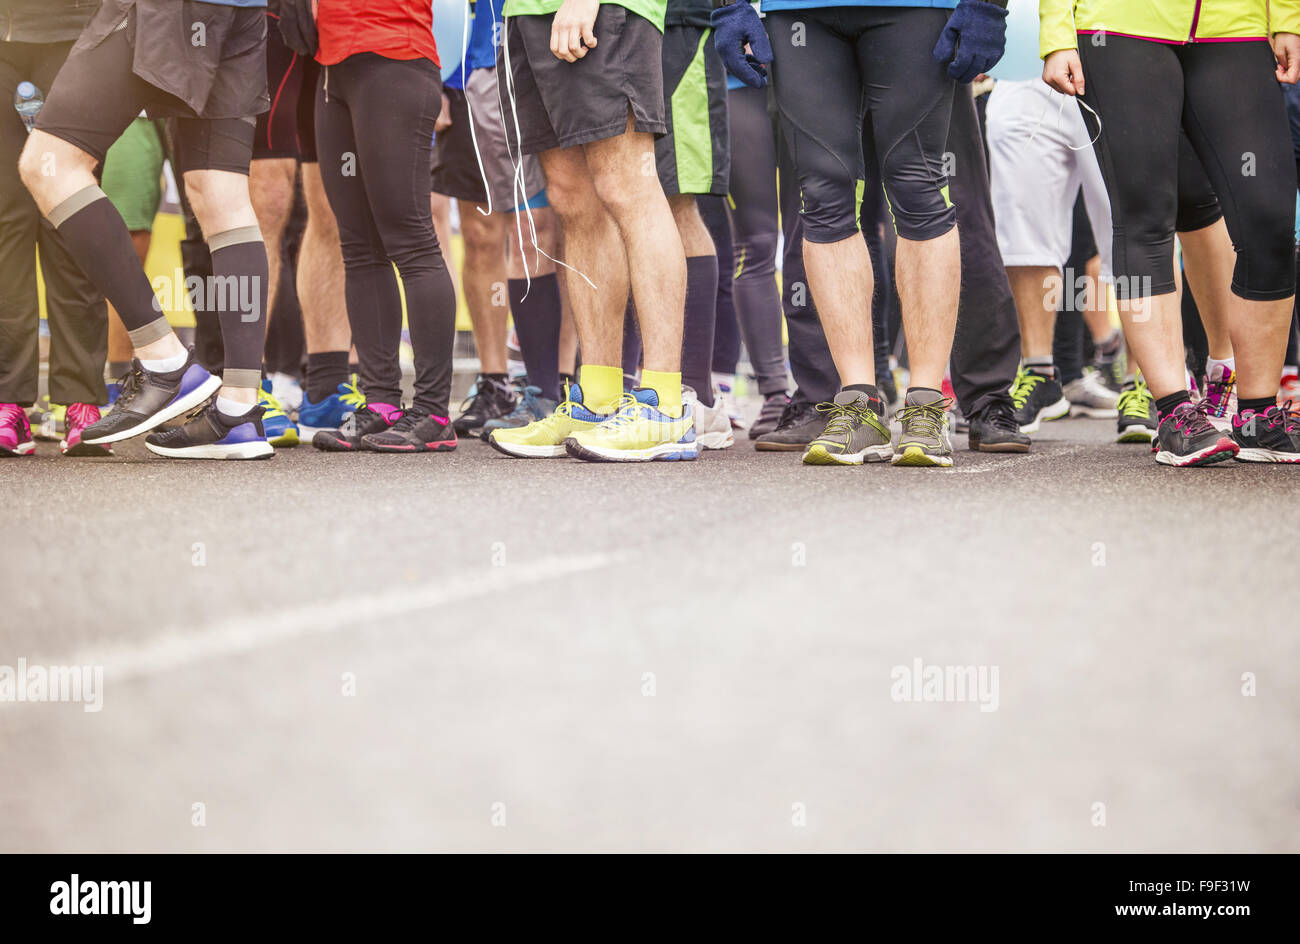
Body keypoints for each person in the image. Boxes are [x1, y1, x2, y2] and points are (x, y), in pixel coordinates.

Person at [713, 0, 1011, 467]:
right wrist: (728, 6)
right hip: (798, 11)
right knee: (822, 195)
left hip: (914, 8)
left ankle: (925, 406)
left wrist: (988, 6)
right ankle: (859, 405)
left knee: (919, 186)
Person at [1043, 0, 1300, 465]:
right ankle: (1174, 411)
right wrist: (1057, 31)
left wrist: (1288, 18)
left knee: (1269, 219)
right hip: (1119, 25)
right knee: (1144, 215)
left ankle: (1258, 415)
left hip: (1235, 24)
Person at [19, 0, 274, 460]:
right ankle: (239, 407)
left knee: (48, 165)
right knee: (219, 192)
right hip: (240, 11)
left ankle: (163, 361)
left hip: (168, 10)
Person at [488, 0, 698, 462]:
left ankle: (664, 406)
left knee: (629, 186)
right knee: (571, 198)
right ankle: (598, 399)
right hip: (526, 14)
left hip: (600, 10)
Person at [279, 0, 459, 454]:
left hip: (394, 56)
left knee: (412, 241)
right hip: (332, 68)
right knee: (358, 246)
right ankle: (381, 401)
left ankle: (435, 412)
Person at [430, 0, 566, 437]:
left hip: (544, 51)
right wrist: (438, 71)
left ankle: (563, 382)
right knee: (479, 231)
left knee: (544, 231)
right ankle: (496, 382)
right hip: (469, 68)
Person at [0, 0, 109, 458]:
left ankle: (82, 399)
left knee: (70, 219)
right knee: (8, 224)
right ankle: (9, 402)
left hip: (77, 40)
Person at [250, 0, 358, 449]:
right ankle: (245, 385)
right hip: (266, 16)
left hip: (342, 20)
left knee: (335, 203)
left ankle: (327, 387)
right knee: (267, 198)